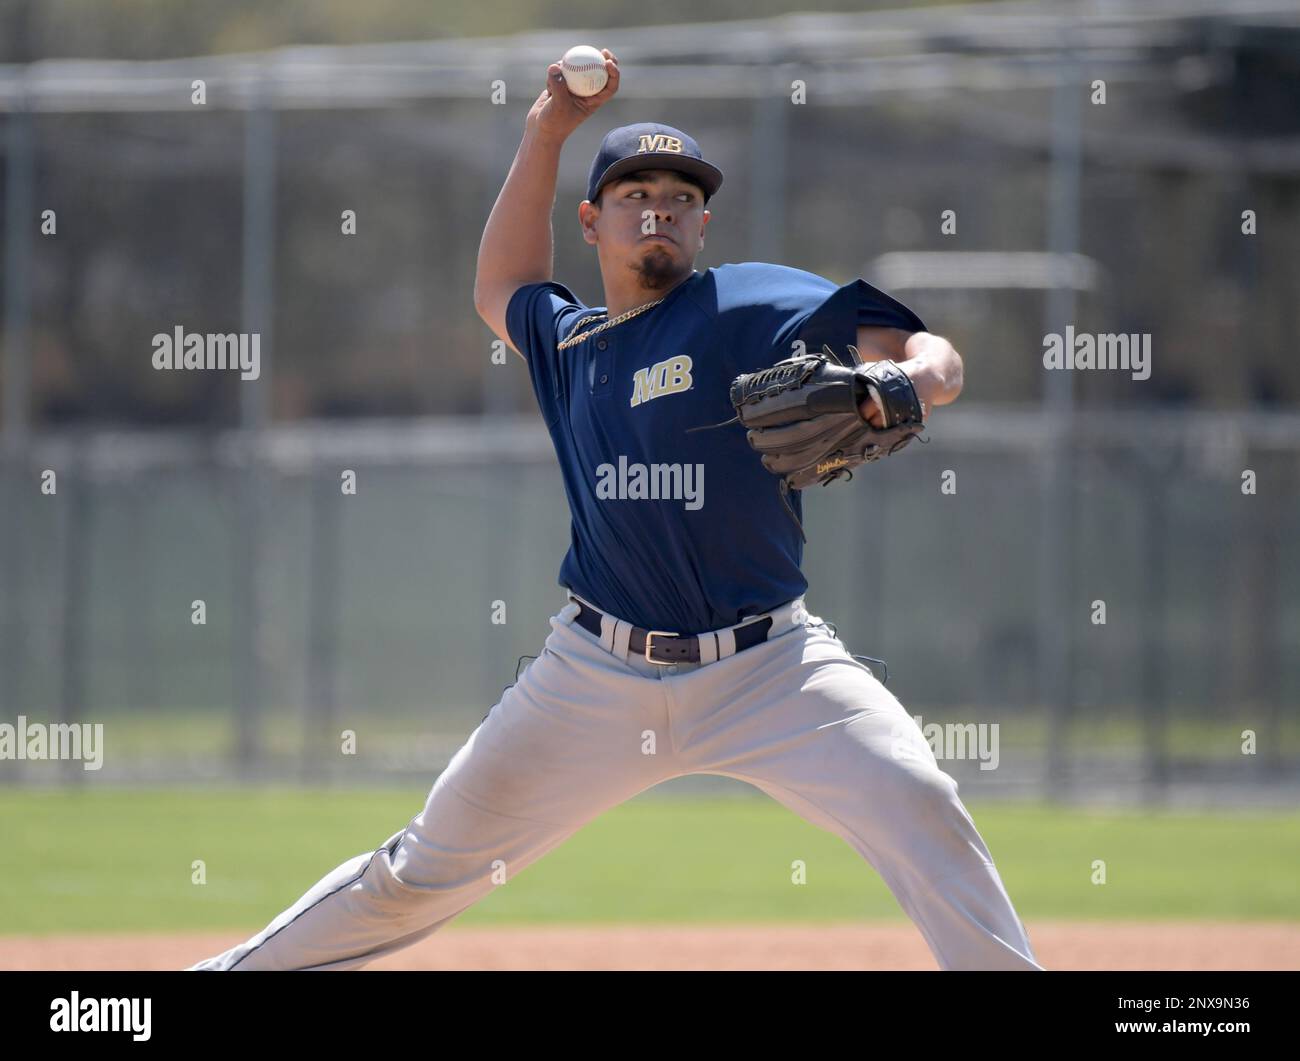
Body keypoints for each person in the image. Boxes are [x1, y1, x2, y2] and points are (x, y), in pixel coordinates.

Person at [189, 49, 1041, 972]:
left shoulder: (746, 302)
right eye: (636, 191)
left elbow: (936, 355)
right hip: (594, 672)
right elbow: (499, 282)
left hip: (772, 667)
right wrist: (546, 131)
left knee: (922, 801)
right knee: (416, 872)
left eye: (680, 195)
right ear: (591, 222)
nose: (660, 207)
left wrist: (904, 380)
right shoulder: (570, 343)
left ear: (703, 223)